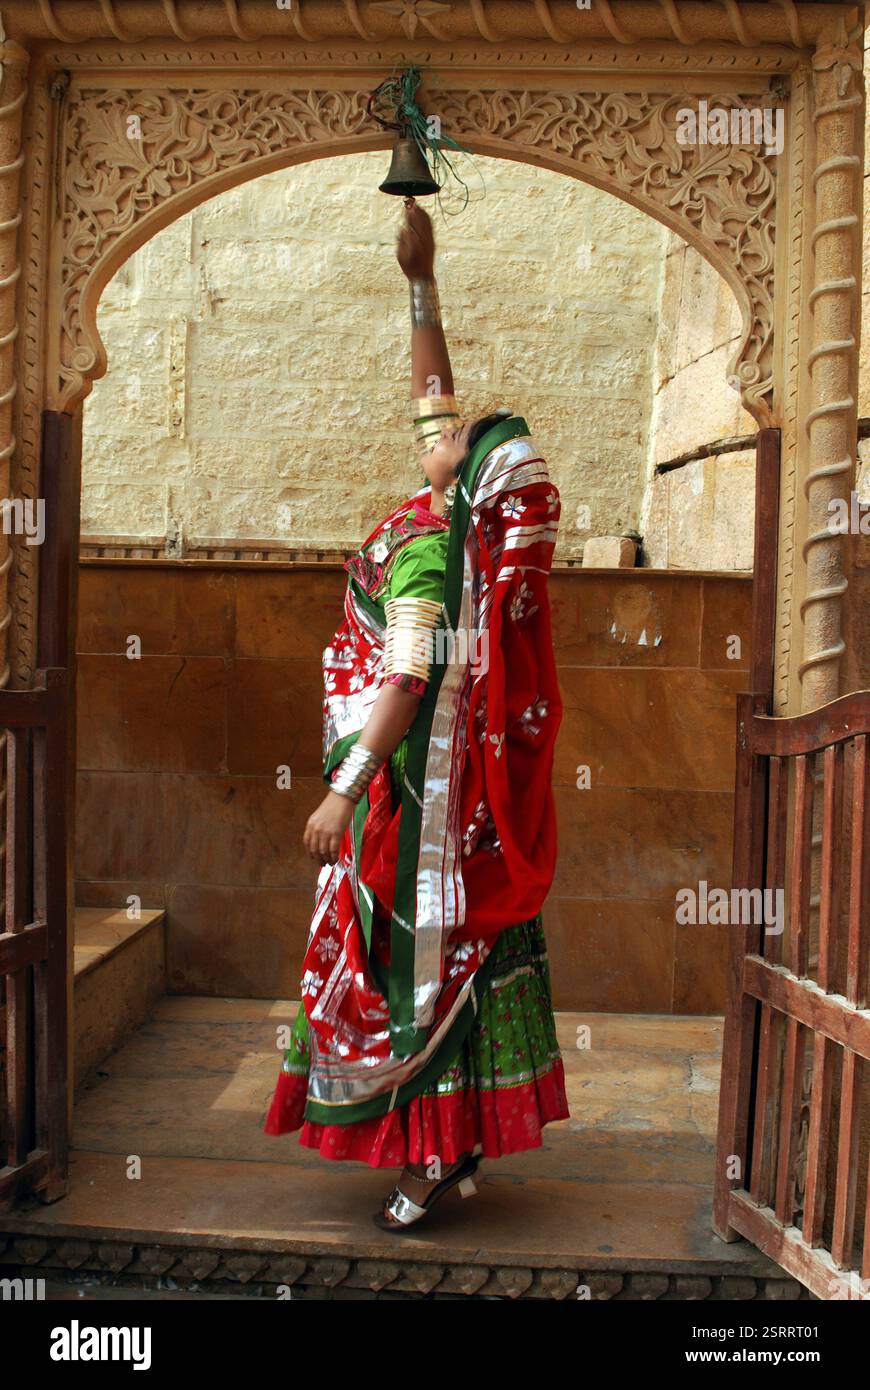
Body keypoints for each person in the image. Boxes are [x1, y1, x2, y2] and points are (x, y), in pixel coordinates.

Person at [263, 200, 569, 1230]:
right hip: (435, 806)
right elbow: (431, 384)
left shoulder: (435, 549)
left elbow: (402, 681)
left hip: (410, 805)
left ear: (469, 485)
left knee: (414, 973)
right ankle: (460, 1151)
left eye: (465, 437)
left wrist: (340, 793)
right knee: (461, 969)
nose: (446, 423)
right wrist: (419, 279)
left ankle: (432, 1159)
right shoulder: (449, 516)